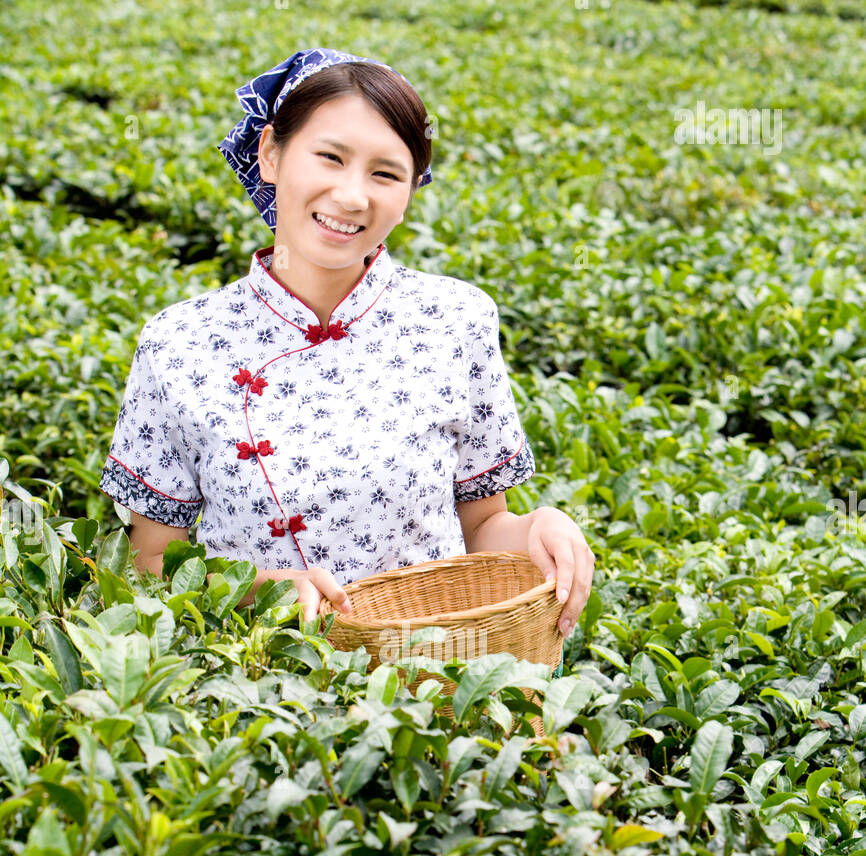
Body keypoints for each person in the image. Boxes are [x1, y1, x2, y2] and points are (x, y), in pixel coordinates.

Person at [99, 47, 594, 661]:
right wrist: (262, 590)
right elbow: (150, 563)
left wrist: (538, 529)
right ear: (272, 155)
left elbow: (482, 527)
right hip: (258, 693)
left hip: (438, 687)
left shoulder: (456, 319)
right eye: (329, 157)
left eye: (386, 174)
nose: (353, 196)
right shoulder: (180, 342)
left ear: (412, 189)